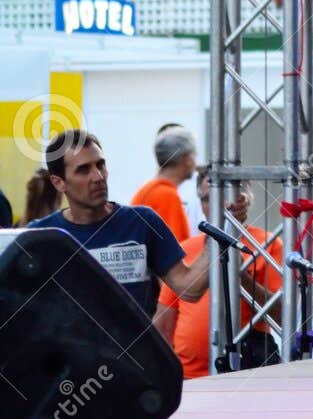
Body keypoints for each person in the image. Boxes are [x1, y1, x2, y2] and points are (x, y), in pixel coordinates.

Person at [31, 129, 211, 318]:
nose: (98, 177)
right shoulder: (40, 236)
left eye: (100, 165)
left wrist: (224, 226)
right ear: (59, 182)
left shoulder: (142, 222)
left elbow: (189, 288)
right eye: (84, 170)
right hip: (71, 347)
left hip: (136, 347)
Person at [156, 180, 281, 377]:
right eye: (207, 199)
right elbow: (163, 324)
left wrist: (240, 276)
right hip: (189, 378)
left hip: (246, 375)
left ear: (243, 199)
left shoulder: (268, 244)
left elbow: (282, 316)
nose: (214, 206)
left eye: (222, 198)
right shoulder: (184, 248)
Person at [130, 124, 197, 243]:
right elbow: (175, 253)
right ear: (186, 159)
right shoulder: (166, 196)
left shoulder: (148, 190)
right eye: (194, 155)